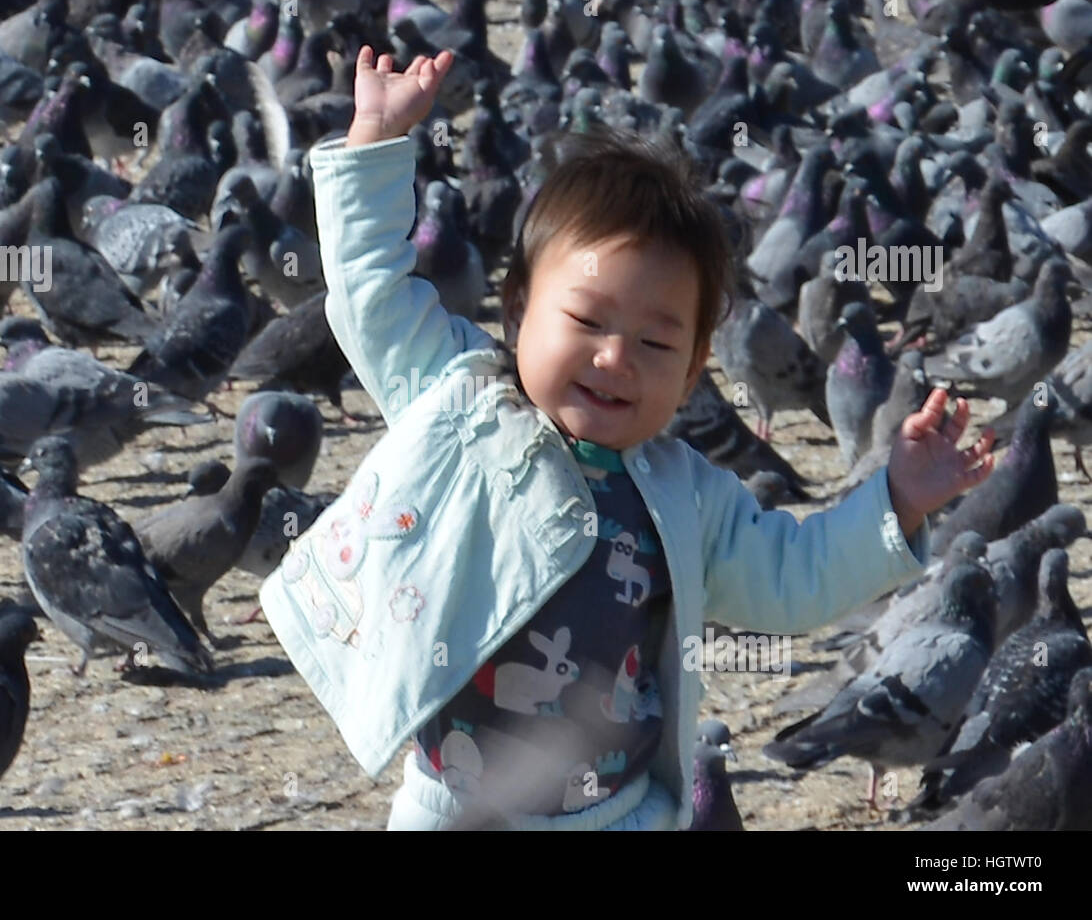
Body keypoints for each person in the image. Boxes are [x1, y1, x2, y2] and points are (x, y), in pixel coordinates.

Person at [258, 47, 997, 830]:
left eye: (656, 344)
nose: (615, 358)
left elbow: (793, 574)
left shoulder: (685, 493)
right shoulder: (458, 396)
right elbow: (372, 293)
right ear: (517, 312)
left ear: (691, 375)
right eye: (585, 321)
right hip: (455, 807)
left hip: (618, 811)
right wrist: (374, 140)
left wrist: (896, 501)